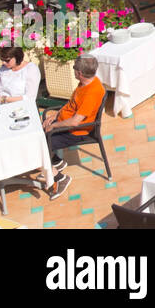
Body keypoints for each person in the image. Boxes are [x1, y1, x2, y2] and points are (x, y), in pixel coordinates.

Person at [41, 55, 105, 200]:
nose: (73, 70)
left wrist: (54, 125)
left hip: (76, 131)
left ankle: (60, 178)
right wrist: (56, 115)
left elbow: (75, 122)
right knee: (38, 134)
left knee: (38, 146)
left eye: (74, 68)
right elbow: (72, 105)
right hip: (66, 123)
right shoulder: (85, 83)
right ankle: (56, 161)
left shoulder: (91, 92)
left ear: (79, 73)